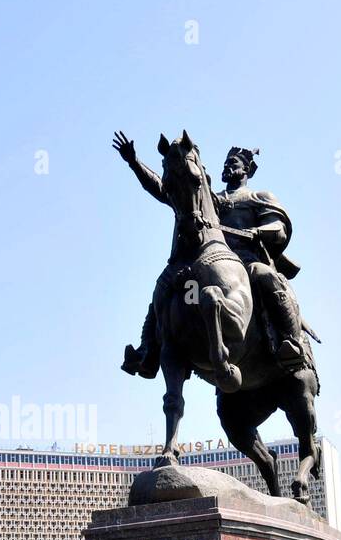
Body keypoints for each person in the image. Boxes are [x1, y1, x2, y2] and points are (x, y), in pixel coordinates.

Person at [113, 133, 317, 379]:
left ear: (248, 169)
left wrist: (257, 231)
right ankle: (148, 351)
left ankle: (290, 340)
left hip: (247, 260)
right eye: (226, 163)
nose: (228, 166)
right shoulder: (210, 198)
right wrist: (134, 162)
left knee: (265, 275)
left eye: (234, 163)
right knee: (165, 287)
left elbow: (279, 228)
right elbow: (165, 189)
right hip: (210, 258)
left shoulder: (259, 197)